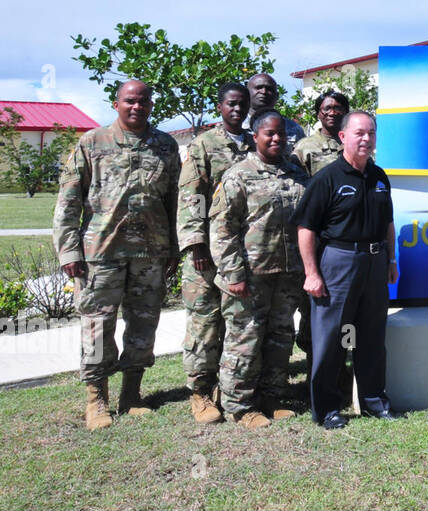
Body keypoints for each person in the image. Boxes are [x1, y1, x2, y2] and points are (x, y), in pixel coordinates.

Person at [53, 80, 180, 430]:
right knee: (96, 327)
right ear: (116, 104)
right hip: (100, 253)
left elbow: (174, 201)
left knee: (143, 325)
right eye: (130, 101)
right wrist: (68, 251)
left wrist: (173, 246)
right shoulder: (92, 142)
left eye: (143, 101)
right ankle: (97, 399)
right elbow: (68, 201)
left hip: (151, 253)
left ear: (151, 105)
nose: (136, 107)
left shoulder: (165, 146)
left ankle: (132, 394)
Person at [293, 111, 399, 427]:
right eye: (359, 133)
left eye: (370, 133)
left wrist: (391, 260)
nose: (366, 139)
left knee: (372, 336)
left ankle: (374, 403)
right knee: (331, 339)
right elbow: (305, 229)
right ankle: (327, 409)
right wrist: (311, 273)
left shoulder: (380, 177)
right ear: (343, 137)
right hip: (338, 263)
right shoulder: (327, 179)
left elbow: (389, 224)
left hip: (375, 262)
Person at [208, 110, 309, 428]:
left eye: (281, 133)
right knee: (244, 340)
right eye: (269, 134)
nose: (277, 138)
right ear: (256, 137)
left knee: (280, 338)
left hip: (288, 274)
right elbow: (222, 229)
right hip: (249, 276)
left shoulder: (296, 174)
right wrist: (233, 273)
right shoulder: (238, 175)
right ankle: (239, 406)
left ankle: (271, 397)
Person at [176, 82, 251, 423]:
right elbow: (192, 196)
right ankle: (200, 393)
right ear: (220, 107)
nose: (237, 110)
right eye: (231, 104)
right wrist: (196, 245)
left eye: (242, 104)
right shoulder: (204, 144)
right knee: (205, 323)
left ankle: (229, 386)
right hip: (206, 253)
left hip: (241, 252)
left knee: (237, 322)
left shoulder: (254, 143)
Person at [289, 89, 350, 388]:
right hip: (317, 240)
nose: (333, 112)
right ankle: (317, 379)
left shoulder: (351, 143)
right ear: (318, 112)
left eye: (339, 108)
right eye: (327, 107)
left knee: (344, 312)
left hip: (346, 241)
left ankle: (342, 374)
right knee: (315, 312)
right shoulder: (305, 149)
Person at [246, 73, 306, 151]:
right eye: (258, 88)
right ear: (246, 93)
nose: (263, 92)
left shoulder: (294, 129)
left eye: (269, 89)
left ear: (277, 96)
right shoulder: (236, 126)